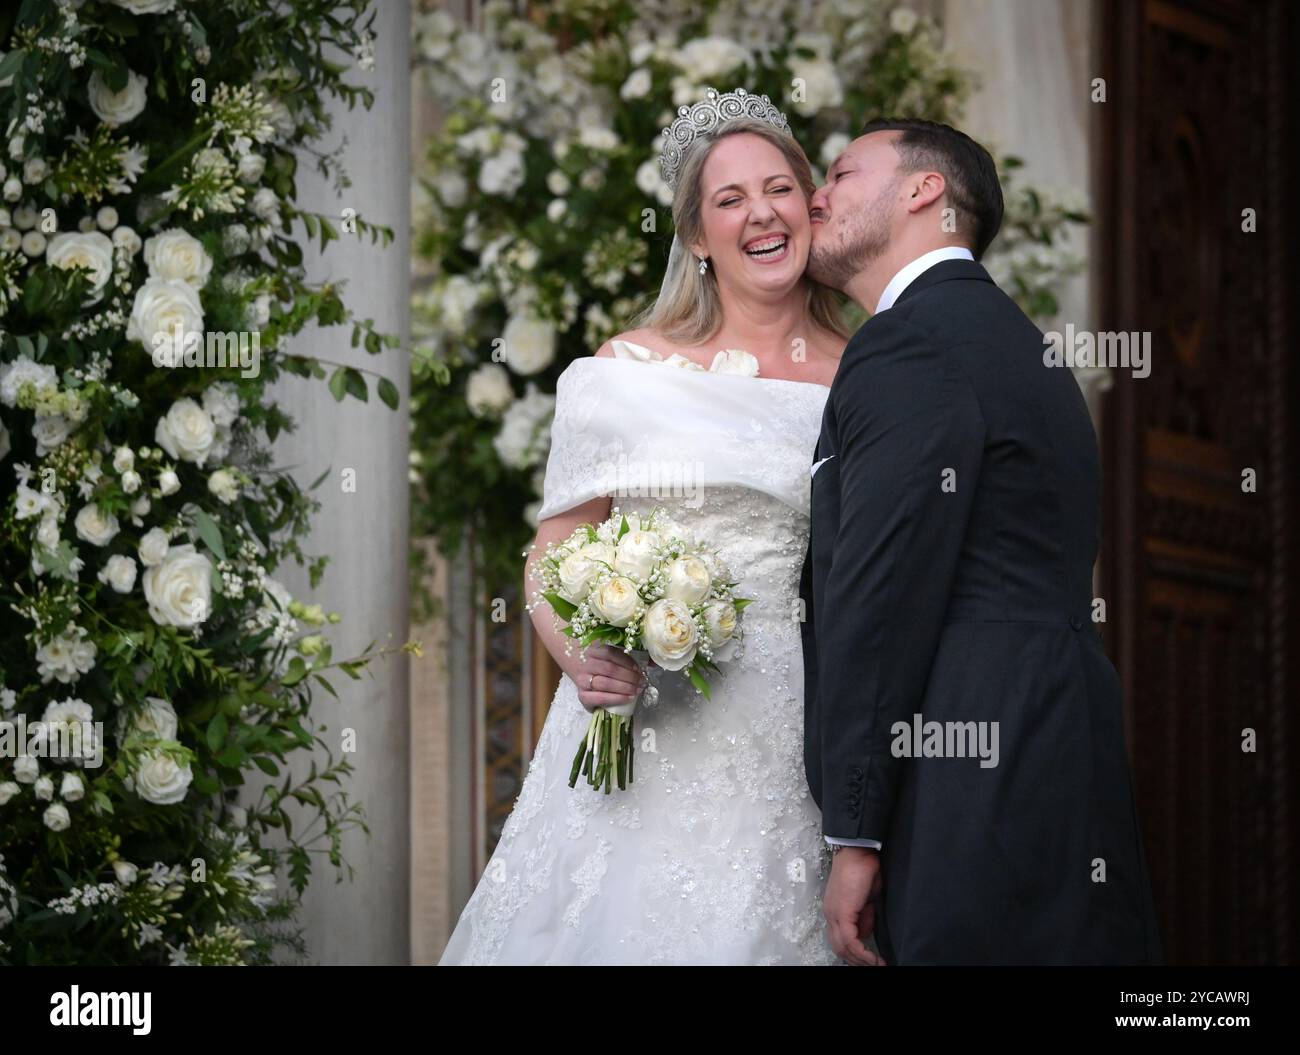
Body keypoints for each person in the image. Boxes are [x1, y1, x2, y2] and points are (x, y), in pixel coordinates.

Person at [439, 89, 850, 965]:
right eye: (730, 199)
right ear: (697, 235)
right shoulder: (626, 372)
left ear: (810, 206)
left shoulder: (864, 373)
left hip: (794, 724)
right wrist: (580, 657)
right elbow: (552, 552)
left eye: (779, 188)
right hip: (644, 720)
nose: (761, 213)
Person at [800, 117, 1163, 965]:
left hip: (966, 778)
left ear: (923, 190)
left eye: (843, 174)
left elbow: (881, 593)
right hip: (1059, 747)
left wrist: (856, 828)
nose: (817, 196)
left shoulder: (909, 341)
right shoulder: (1019, 343)